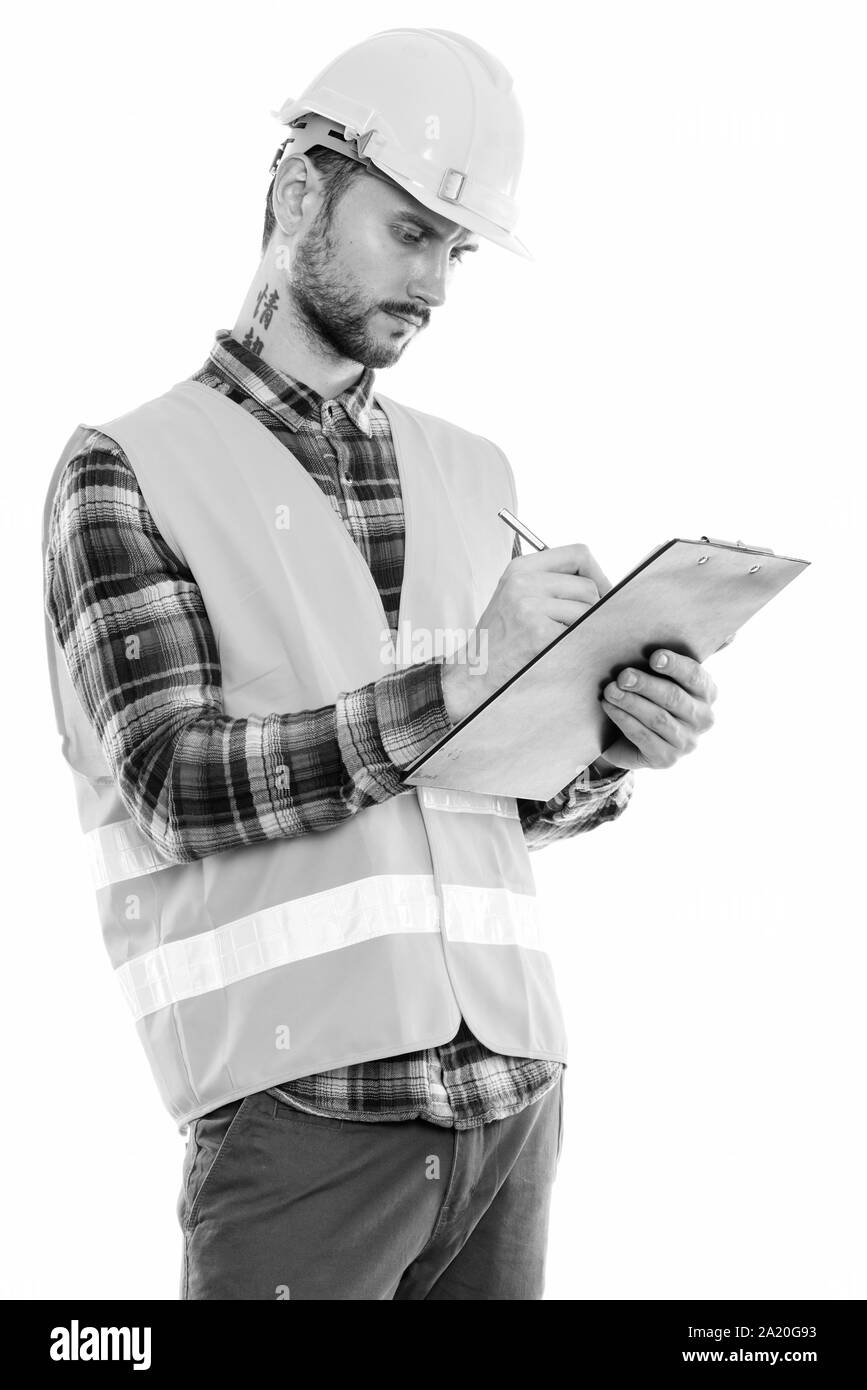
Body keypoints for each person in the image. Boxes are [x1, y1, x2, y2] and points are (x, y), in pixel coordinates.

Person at [41, 27, 717, 1300]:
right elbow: (179, 785)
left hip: (511, 1098)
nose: (440, 285)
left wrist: (608, 737)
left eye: (456, 249)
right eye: (412, 233)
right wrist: (466, 680)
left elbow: (467, 792)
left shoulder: (477, 474)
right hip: (301, 1113)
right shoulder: (124, 470)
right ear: (302, 188)